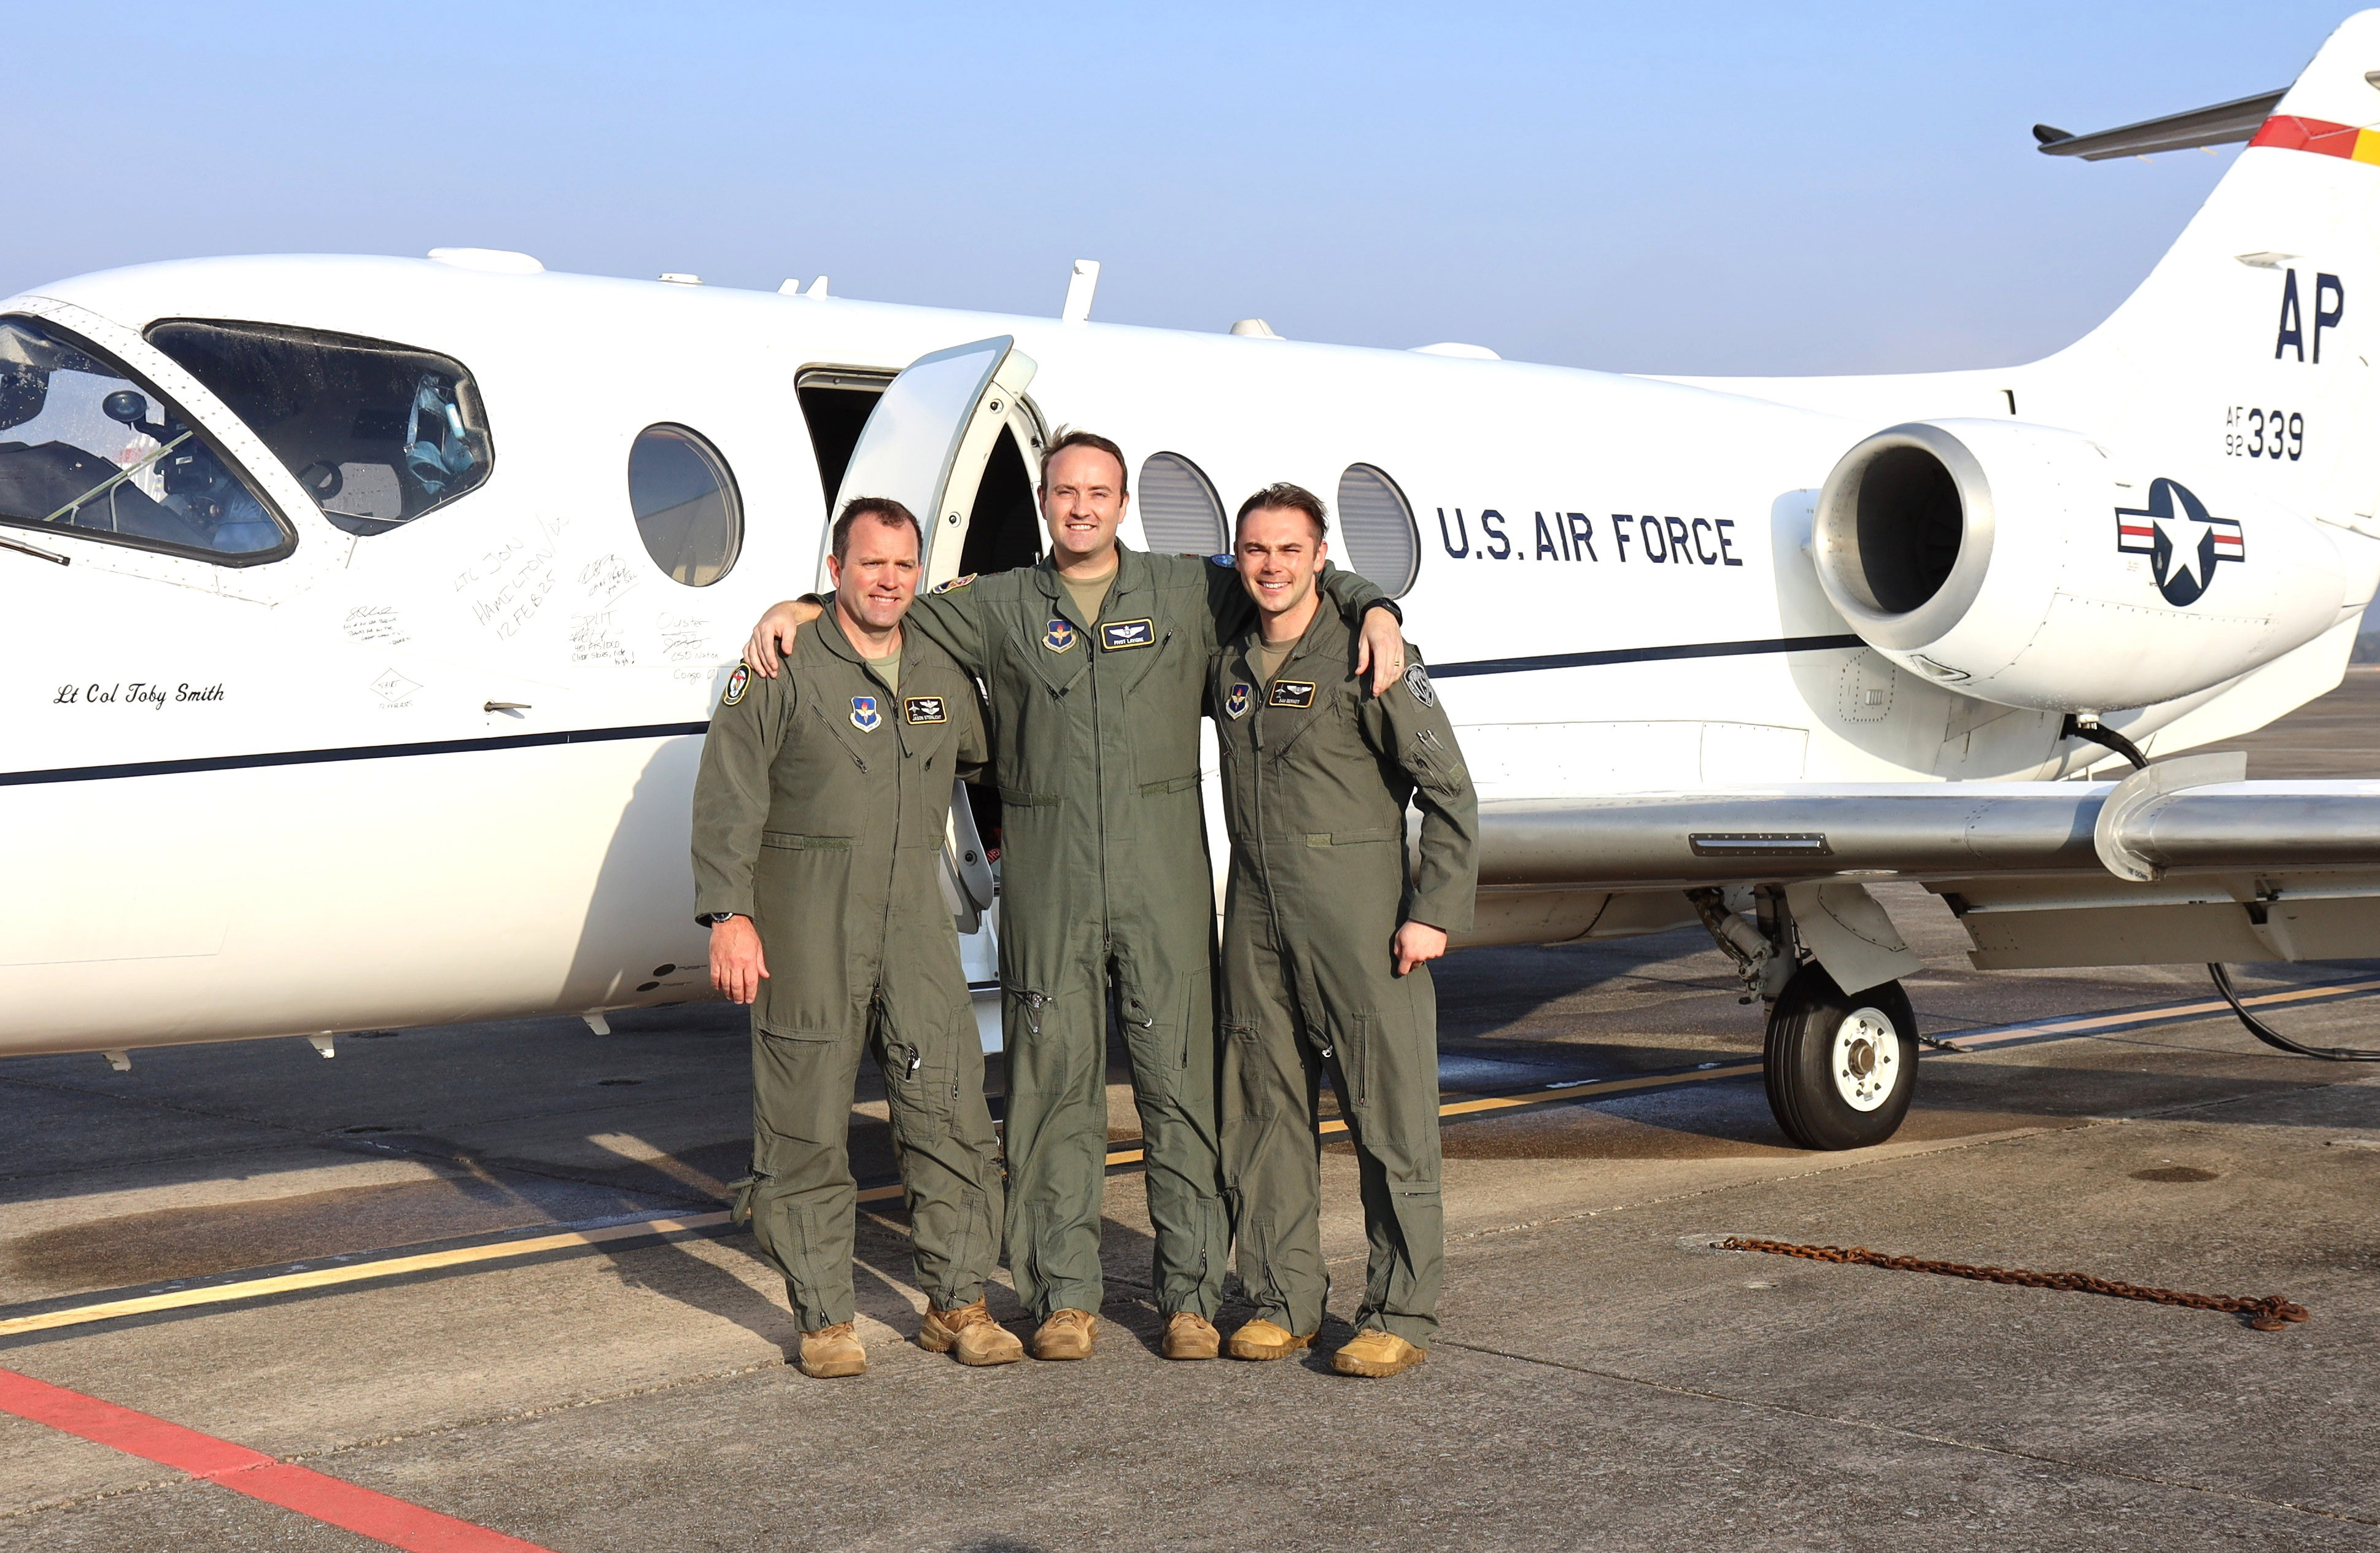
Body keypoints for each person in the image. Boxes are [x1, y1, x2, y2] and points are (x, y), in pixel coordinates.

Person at [741, 431, 1407, 1362]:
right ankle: (1063, 1297)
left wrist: (1371, 603)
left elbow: (1285, 578)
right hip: (1051, 878)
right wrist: (801, 605)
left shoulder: (1187, 589)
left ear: (1121, 503)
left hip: (1162, 873)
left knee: (1182, 1087)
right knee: (1053, 1092)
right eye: (1065, 492)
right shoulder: (1002, 603)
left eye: (1098, 492)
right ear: (1047, 501)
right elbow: (883, 613)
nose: (1081, 507)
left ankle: (1188, 1295)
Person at [693, 496, 1020, 1379]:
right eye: (871, 563)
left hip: (913, 916)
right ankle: (825, 1316)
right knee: (803, 1124)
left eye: (903, 566)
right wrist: (729, 915)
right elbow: (729, 794)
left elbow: (990, 761)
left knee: (948, 1109)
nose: (888, 580)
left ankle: (957, 1302)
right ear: (835, 570)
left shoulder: (940, 668)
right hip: (806, 917)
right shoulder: (779, 664)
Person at [1208, 482, 1478, 1379]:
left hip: (1359, 916)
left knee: (1388, 1119)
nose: (1271, 566)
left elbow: (1449, 794)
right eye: (1255, 550)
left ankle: (1398, 1307)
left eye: (1290, 549)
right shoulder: (1231, 657)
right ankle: (1283, 1300)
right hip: (1255, 914)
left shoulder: (1375, 656)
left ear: (1322, 557)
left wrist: (1431, 911)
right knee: (1263, 1112)